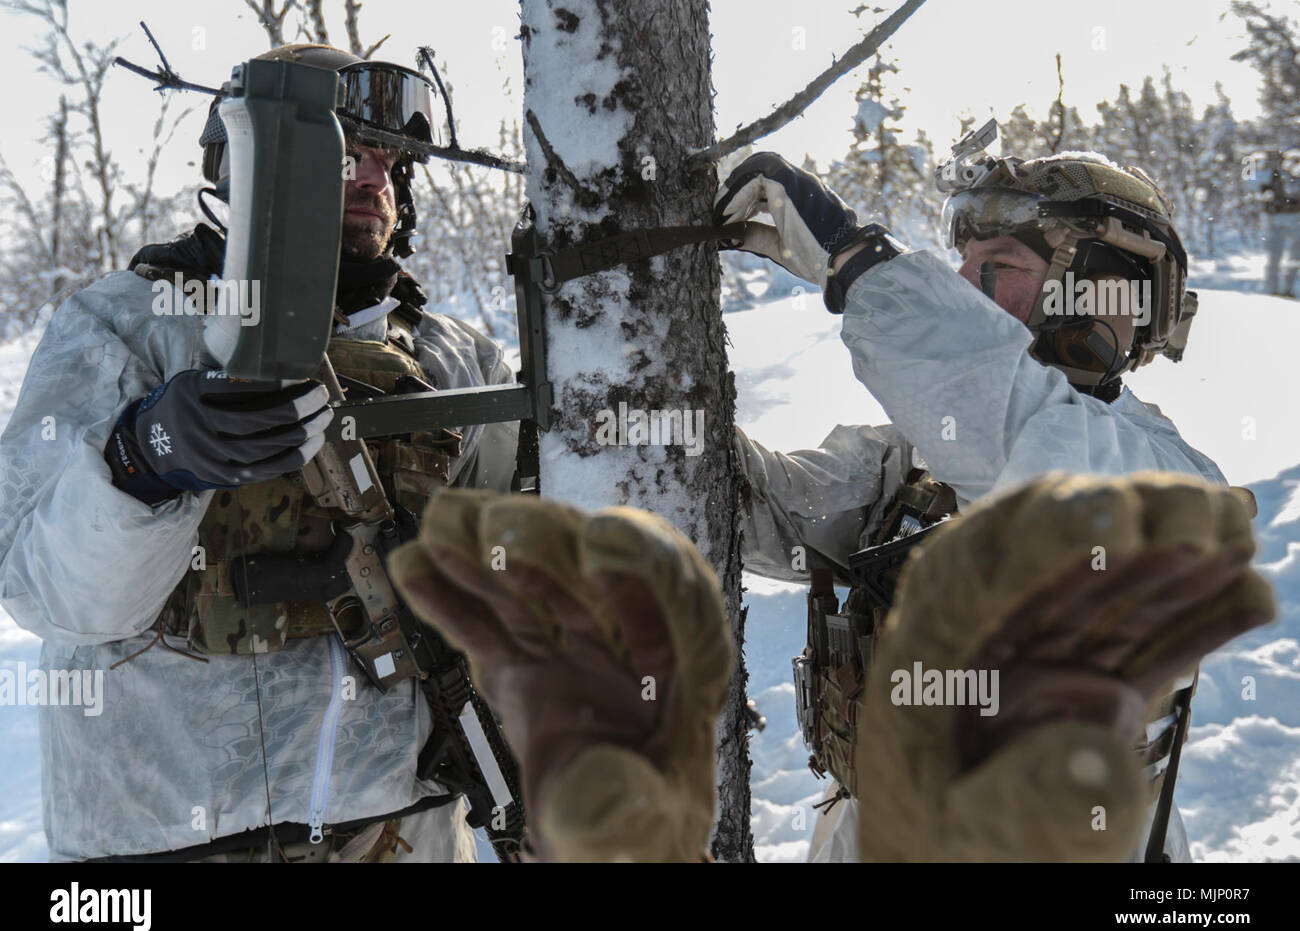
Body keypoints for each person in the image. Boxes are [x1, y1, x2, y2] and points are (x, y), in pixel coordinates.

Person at [383, 142, 1274, 863]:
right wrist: (612, 410)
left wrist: (860, 264)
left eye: (999, 265)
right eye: (960, 264)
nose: (967, 288)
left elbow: (1029, 454)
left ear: (1106, 286)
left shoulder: (1167, 484)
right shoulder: (921, 466)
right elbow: (768, 507)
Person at [0, 44, 517, 862]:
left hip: (396, 828)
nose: (374, 178)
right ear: (251, 164)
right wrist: (144, 460)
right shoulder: (125, 326)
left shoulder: (455, 361)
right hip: (159, 837)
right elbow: (44, 591)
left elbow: (521, 578)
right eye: (346, 155)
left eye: (388, 159)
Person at [1259, 148, 1300, 297]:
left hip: (1293, 219)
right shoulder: (1272, 175)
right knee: (1276, 256)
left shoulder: (1273, 175)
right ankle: (1273, 290)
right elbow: (1259, 189)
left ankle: (1284, 289)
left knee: (1292, 257)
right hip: (1278, 219)